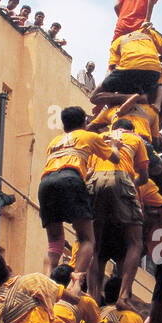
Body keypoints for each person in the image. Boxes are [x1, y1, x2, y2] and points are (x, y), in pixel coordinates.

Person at [38, 107, 119, 280]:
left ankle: (46, 282)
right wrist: (114, 145)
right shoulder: (89, 136)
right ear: (84, 122)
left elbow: (62, 165)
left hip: (46, 183)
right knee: (86, 239)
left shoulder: (54, 142)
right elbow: (115, 158)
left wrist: (84, 174)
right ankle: (75, 283)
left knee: (54, 243)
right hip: (70, 180)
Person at [85, 118, 148, 306]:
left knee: (92, 243)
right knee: (135, 242)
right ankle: (123, 296)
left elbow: (88, 168)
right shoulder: (135, 138)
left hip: (94, 181)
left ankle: (92, 295)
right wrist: (131, 185)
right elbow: (144, 176)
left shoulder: (99, 136)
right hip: (121, 179)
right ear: (131, 129)